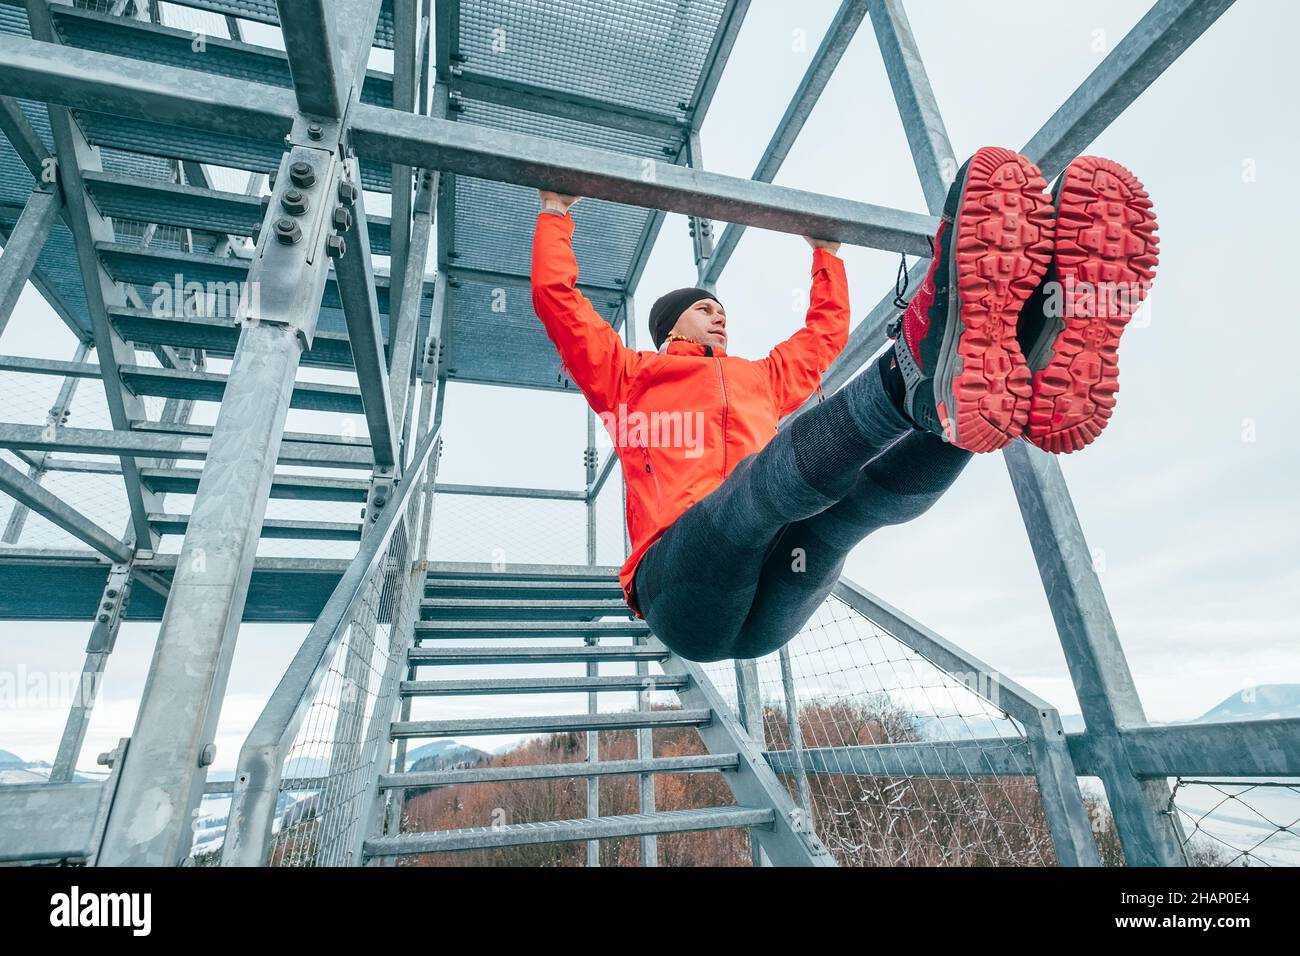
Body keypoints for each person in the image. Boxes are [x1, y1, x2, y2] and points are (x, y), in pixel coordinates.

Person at [531, 146, 1158, 663]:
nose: (718, 316)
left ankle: (1017, 349)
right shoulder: (628, 375)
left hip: (772, 611)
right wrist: (556, 211)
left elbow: (823, 337)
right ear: (671, 325)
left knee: (845, 514)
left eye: (722, 309)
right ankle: (915, 372)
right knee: (756, 494)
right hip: (682, 592)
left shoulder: (759, 378)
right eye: (704, 309)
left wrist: (825, 257)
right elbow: (559, 303)